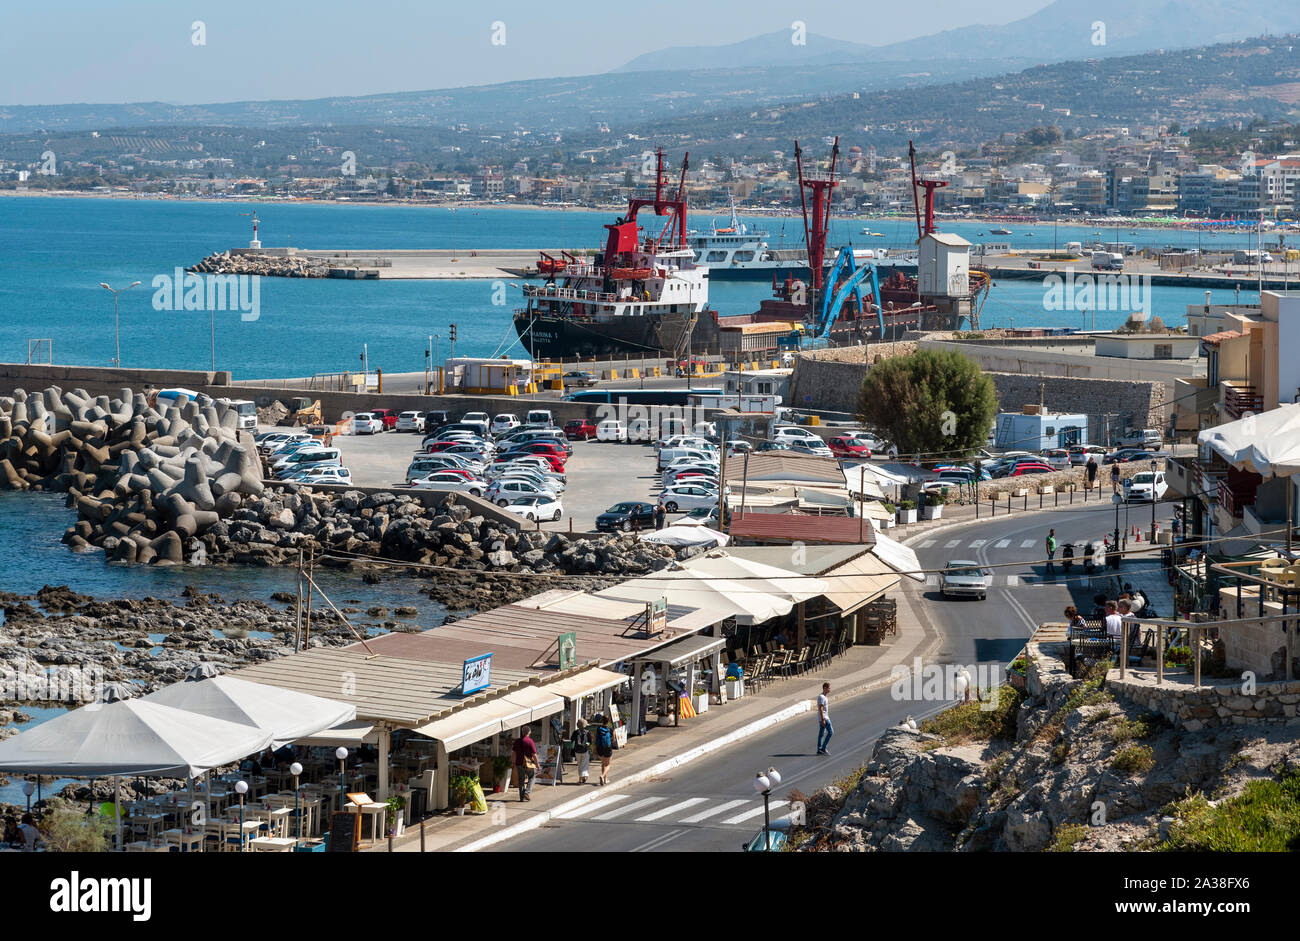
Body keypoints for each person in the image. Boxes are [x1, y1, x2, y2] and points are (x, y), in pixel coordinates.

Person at [512, 726, 538, 802]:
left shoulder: (517, 741)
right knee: (532, 777)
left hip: (519, 763)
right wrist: (537, 764)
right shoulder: (530, 741)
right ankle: (527, 792)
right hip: (528, 764)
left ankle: (521, 797)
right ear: (529, 732)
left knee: (521, 780)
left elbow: (513, 753)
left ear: (522, 732)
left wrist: (513, 763)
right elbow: (534, 754)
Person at [593, 716, 616, 786]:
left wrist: (595, 749)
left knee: (603, 763)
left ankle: (605, 780)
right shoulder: (611, 729)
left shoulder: (598, 729)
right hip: (607, 748)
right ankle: (602, 776)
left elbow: (595, 739)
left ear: (602, 721)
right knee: (608, 764)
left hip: (600, 748)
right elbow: (614, 740)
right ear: (608, 721)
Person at [571, 718, 591, 785]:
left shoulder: (575, 732)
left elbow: (572, 740)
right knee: (584, 764)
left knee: (579, 764)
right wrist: (586, 745)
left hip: (577, 750)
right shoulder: (587, 732)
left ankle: (580, 779)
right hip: (585, 750)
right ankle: (584, 776)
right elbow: (590, 742)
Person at [816, 682, 833, 756]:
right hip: (825, 718)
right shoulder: (822, 697)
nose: (830, 689)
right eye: (829, 688)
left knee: (821, 734)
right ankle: (823, 748)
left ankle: (819, 749)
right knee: (831, 732)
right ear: (825, 688)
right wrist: (823, 719)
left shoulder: (824, 697)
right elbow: (821, 708)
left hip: (823, 718)